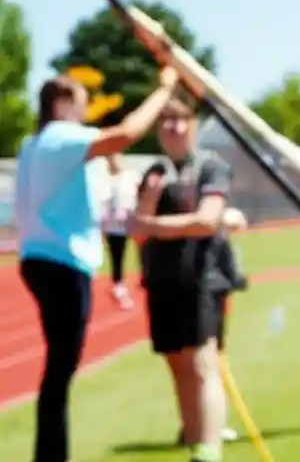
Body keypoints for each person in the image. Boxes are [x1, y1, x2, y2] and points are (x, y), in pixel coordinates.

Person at [13, 66, 179, 462]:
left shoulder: (33, 143)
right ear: (62, 104)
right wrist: (164, 89)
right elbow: (124, 135)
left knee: (59, 367)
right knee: (60, 370)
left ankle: (51, 453)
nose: (86, 115)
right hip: (62, 263)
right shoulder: (63, 137)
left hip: (38, 258)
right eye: (82, 105)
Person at [130, 97, 248, 462]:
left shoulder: (211, 168)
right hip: (163, 279)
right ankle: (193, 436)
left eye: (181, 121)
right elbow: (137, 230)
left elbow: (206, 220)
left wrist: (152, 226)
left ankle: (209, 448)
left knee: (202, 362)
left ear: (193, 125)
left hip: (202, 278)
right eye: (165, 122)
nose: (174, 128)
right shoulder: (154, 171)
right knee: (177, 363)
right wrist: (148, 212)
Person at [95, 153, 140, 309]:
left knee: (142, 249)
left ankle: (140, 279)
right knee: (117, 254)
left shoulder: (131, 177)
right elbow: (101, 203)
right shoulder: (104, 180)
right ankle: (118, 285)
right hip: (114, 226)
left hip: (132, 221)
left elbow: (138, 195)